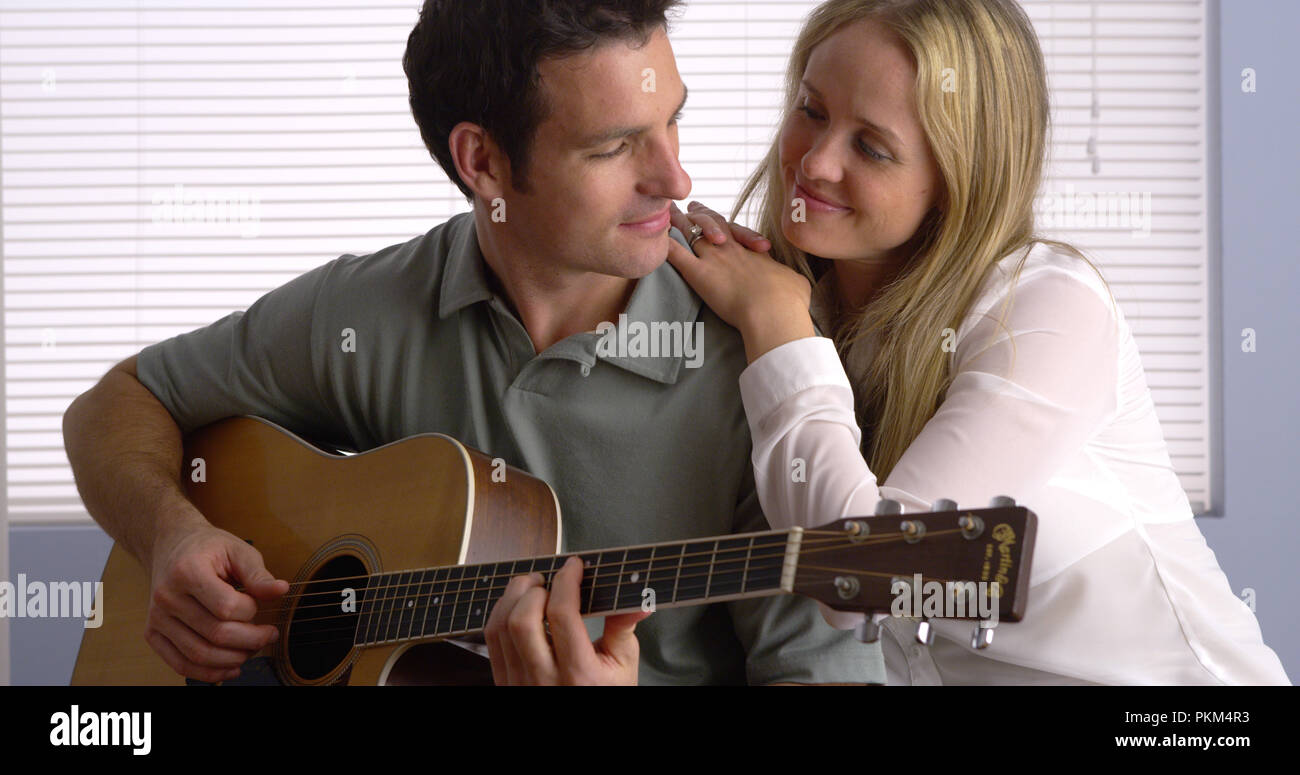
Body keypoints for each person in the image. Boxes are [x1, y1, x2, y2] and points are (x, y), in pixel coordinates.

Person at [61, 0, 883, 686]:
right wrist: (169, 533)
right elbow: (118, 402)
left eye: (673, 120)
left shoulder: (759, 367)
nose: (675, 179)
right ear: (482, 160)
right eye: (613, 146)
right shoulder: (365, 311)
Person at [666, 0, 1290, 684]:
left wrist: (778, 329)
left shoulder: (1049, 307)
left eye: (871, 146)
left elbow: (866, 575)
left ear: (959, 177)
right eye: (812, 110)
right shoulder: (801, 301)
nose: (814, 163)